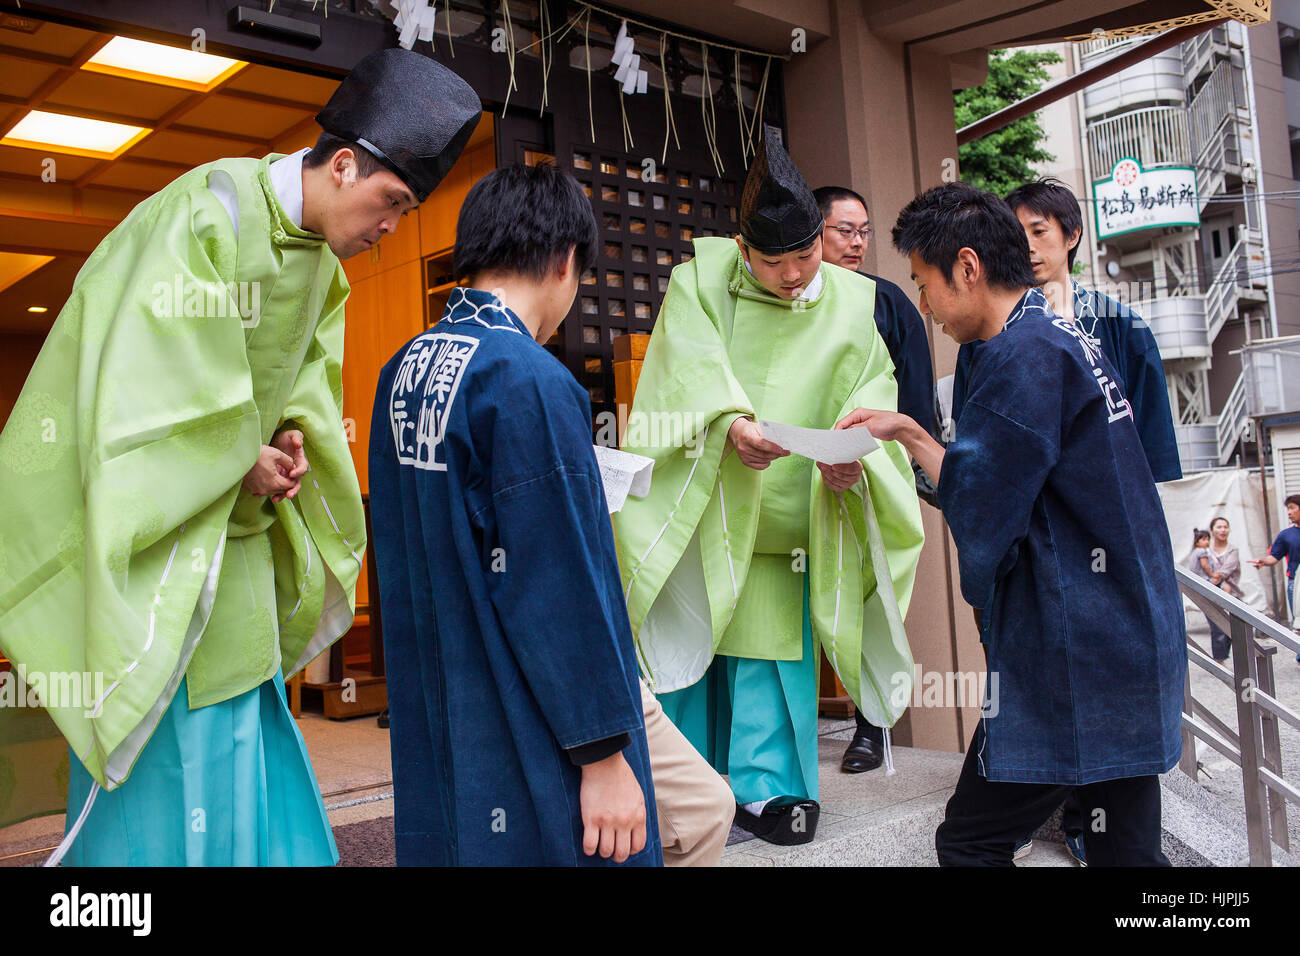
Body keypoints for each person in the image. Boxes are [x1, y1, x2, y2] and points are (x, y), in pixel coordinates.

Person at [0, 49, 482, 865]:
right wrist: (236, 456)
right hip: (166, 538)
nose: (391, 230)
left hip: (239, 544)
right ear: (341, 164)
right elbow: (144, 385)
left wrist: (291, 444)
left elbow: (308, 394)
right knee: (165, 728)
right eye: (390, 204)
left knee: (242, 721)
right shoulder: (209, 211)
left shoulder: (321, 266)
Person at [368, 162, 731, 866]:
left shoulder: (401, 369)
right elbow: (551, 581)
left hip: (448, 671)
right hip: (534, 688)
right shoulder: (526, 377)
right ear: (566, 262)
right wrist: (601, 755)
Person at [841, 182, 1186, 866]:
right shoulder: (1057, 337)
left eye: (925, 283)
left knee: (971, 841)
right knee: (1127, 855)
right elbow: (997, 477)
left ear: (967, 267)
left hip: (1073, 653)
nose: (925, 307)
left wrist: (909, 444)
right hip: (1129, 635)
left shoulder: (1017, 358)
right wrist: (911, 430)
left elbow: (984, 510)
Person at [614, 126, 924, 846]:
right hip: (710, 503)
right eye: (775, 261)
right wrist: (726, 426)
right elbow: (679, 375)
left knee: (769, 653)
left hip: (795, 519)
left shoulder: (853, 299)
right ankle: (681, 784)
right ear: (742, 249)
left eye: (807, 255)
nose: (794, 275)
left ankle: (771, 789)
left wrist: (857, 461)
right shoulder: (698, 281)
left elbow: (874, 391)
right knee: (688, 643)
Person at [814, 185, 938, 775]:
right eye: (843, 229)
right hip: (799, 469)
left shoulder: (890, 303)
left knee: (874, 596)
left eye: (864, 230)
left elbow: (915, 404)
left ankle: (871, 726)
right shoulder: (792, 300)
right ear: (812, 231)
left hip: (872, 473)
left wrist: (914, 467)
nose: (857, 241)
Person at [953, 178, 1181, 484]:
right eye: (1017, 235)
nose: (1028, 247)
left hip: (1111, 500)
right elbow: (968, 443)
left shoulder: (1123, 327)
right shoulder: (984, 335)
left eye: (1038, 231)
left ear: (1071, 236)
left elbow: (1153, 442)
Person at [1250, 494, 1300, 661]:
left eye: (1293, 507)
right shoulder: (1286, 535)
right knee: (1299, 621)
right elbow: (1274, 556)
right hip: (1296, 584)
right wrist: (1263, 561)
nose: (1289, 512)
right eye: (1288, 509)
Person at [1205, 518, 1242, 661]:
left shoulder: (1233, 550)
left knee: (1234, 628)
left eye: (1225, 527)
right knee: (1217, 628)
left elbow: (1228, 569)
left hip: (1230, 593)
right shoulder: (1204, 551)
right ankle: (1219, 661)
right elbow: (1197, 570)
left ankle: (1238, 661)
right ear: (1212, 530)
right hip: (1210, 594)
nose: (1223, 530)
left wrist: (1216, 580)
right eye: (1219, 527)